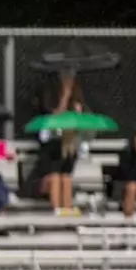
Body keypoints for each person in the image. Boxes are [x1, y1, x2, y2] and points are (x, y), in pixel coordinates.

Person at [35, 71, 84, 216]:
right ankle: (57, 210)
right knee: (56, 176)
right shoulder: (49, 95)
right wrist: (65, 95)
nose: (69, 80)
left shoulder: (71, 148)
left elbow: (78, 123)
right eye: (66, 76)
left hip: (67, 144)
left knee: (65, 177)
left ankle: (67, 210)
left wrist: (77, 113)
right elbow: (54, 116)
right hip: (47, 166)